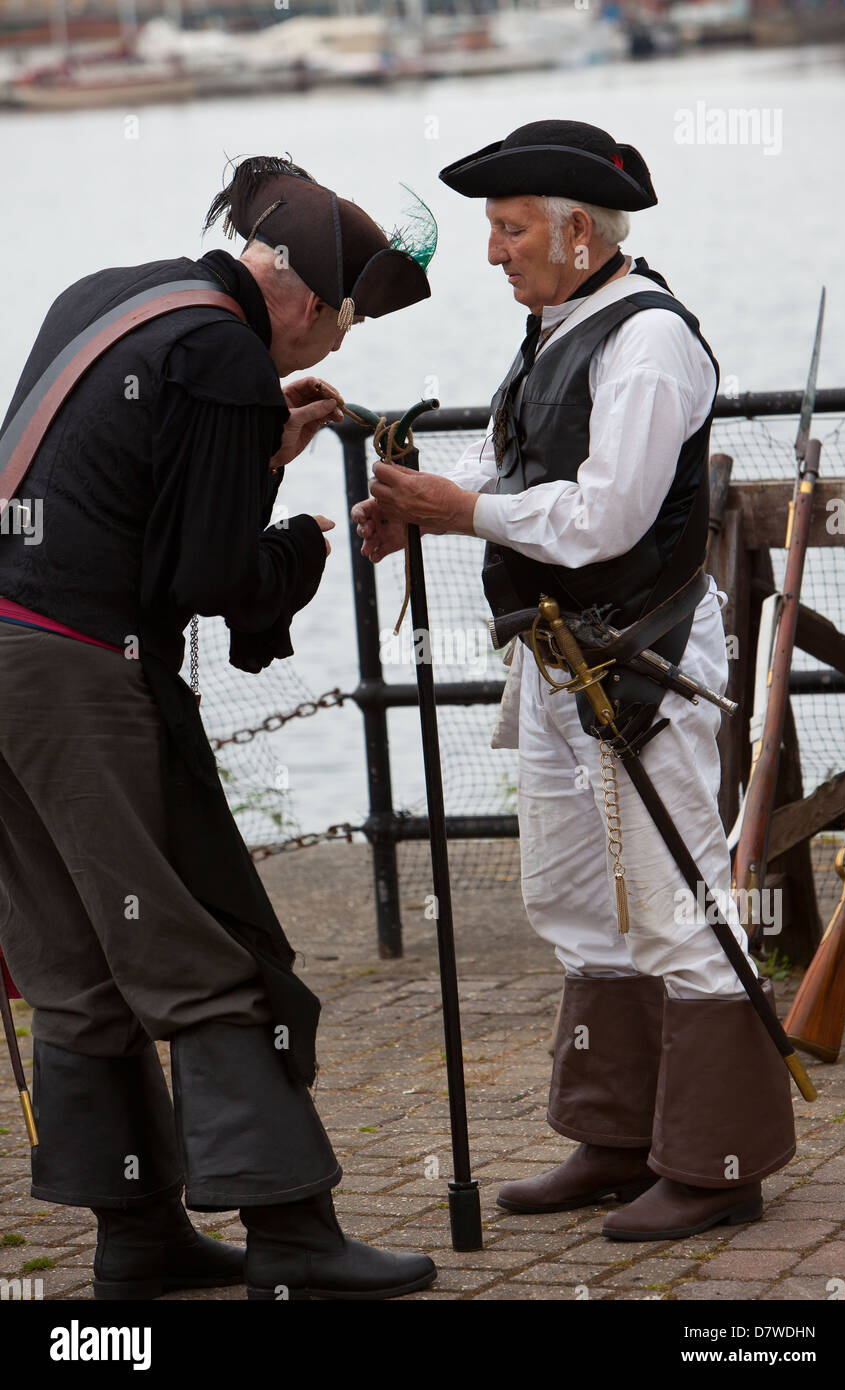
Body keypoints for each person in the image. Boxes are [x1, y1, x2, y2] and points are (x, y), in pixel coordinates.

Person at [0, 155, 437, 1299]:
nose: (330, 349)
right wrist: (297, 548)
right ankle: (292, 1235)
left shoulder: (107, 294)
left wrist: (245, 448)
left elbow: (123, 491)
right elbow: (203, 574)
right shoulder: (227, 358)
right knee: (194, 946)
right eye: (336, 324)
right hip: (70, 669)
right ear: (295, 292)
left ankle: (136, 1242)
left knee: (76, 968)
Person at [352, 121, 796, 1241]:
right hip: (559, 662)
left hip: (640, 661)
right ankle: (612, 1137)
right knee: (574, 899)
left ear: (577, 231)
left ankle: (717, 1161)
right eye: (493, 231)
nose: (491, 252)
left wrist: (461, 512)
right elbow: (516, 464)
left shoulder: (646, 342)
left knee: (677, 901)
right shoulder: (560, 327)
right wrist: (419, 505)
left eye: (507, 230)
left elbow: (605, 514)